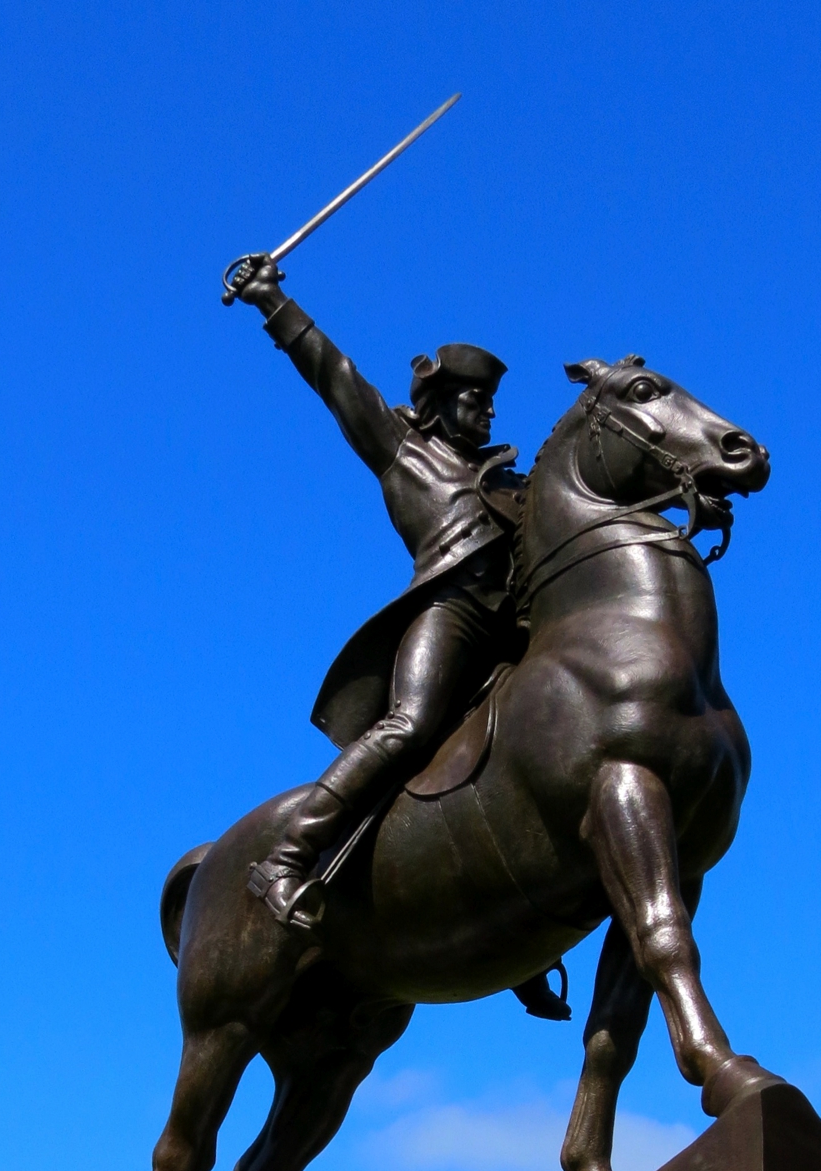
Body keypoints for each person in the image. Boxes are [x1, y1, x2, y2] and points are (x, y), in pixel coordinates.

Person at [229, 255, 569, 1020]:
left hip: (511, 629)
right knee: (412, 726)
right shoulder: (400, 449)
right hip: (450, 613)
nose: (487, 411)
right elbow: (333, 374)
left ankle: (527, 933)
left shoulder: (512, 481)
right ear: (439, 405)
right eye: (474, 399)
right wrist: (272, 302)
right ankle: (287, 856)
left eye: (490, 401)